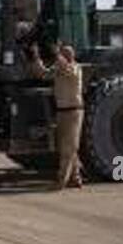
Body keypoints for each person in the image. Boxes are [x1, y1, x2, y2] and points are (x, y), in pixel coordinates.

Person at [28, 42, 84, 189]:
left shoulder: (75, 68)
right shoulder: (59, 68)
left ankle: (61, 181)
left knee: (68, 148)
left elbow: (67, 69)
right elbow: (43, 73)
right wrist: (36, 56)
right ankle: (75, 177)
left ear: (70, 57)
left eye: (66, 54)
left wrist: (57, 53)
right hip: (62, 112)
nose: (62, 57)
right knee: (68, 147)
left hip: (73, 111)